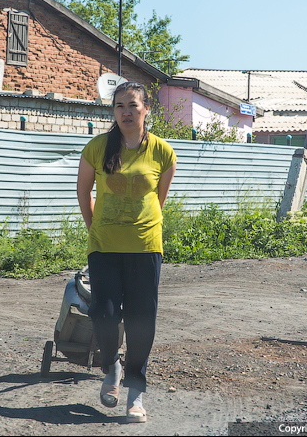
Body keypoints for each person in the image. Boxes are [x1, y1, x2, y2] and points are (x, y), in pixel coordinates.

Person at [76, 81, 177, 423]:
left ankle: (136, 394)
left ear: (147, 109)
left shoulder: (162, 152)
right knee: (103, 314)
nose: (126, 112)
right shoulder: (97, 148)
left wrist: (141, 229)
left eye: (133, 105)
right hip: (104, 247)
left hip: (145, 248)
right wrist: (96, 228)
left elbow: (158, 200)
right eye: (119, 106)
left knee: (141, 321)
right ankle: (111, 368)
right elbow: (83, 191)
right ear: (113, 111)